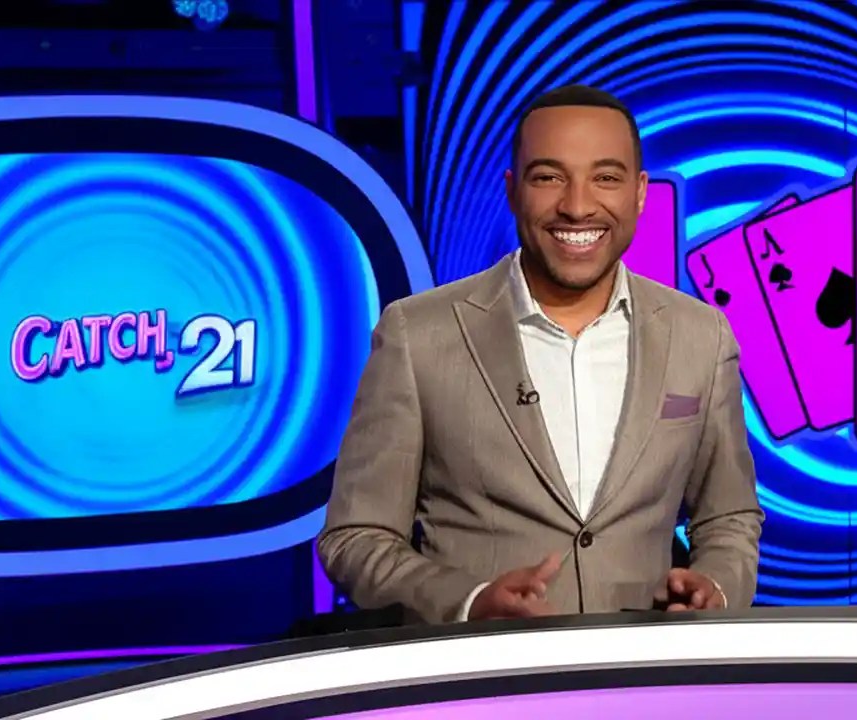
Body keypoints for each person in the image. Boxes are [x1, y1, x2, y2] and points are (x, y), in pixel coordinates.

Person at [318, 84, 763, 624]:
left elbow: (730, 517)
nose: (577, 206)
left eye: (606, 178)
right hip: (480, 689)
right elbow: (355, 538)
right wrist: (468, 600)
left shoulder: (701, 335)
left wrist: (714, 586)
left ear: (640, 192)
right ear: (512, 190)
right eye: (548, 177)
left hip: (646, 684)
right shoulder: (419, 334)